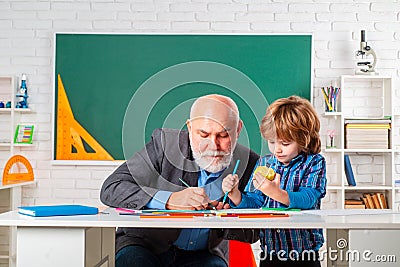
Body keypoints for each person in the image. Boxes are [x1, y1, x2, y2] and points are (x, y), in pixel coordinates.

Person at [100, 94, 259, 267]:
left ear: (238, 129)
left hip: (203, 255)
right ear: (190, 128)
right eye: (204, 134)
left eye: (223, 135)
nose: (213, 145)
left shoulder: (249, 162)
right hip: (144, 245)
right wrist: (168, 200)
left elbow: (253, 233)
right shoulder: (164, 145)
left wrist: (228, 217)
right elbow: (112, 187)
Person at [222, 95, 327, 267]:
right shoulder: (264, 162)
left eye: (285, 143)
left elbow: (308, 199)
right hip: (270, 253)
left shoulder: (314, 162)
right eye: (272, 142)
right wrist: (235, 195)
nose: (277, 149)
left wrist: (275, 193)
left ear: (303, 139)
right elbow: (254, 202)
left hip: (303, 254)